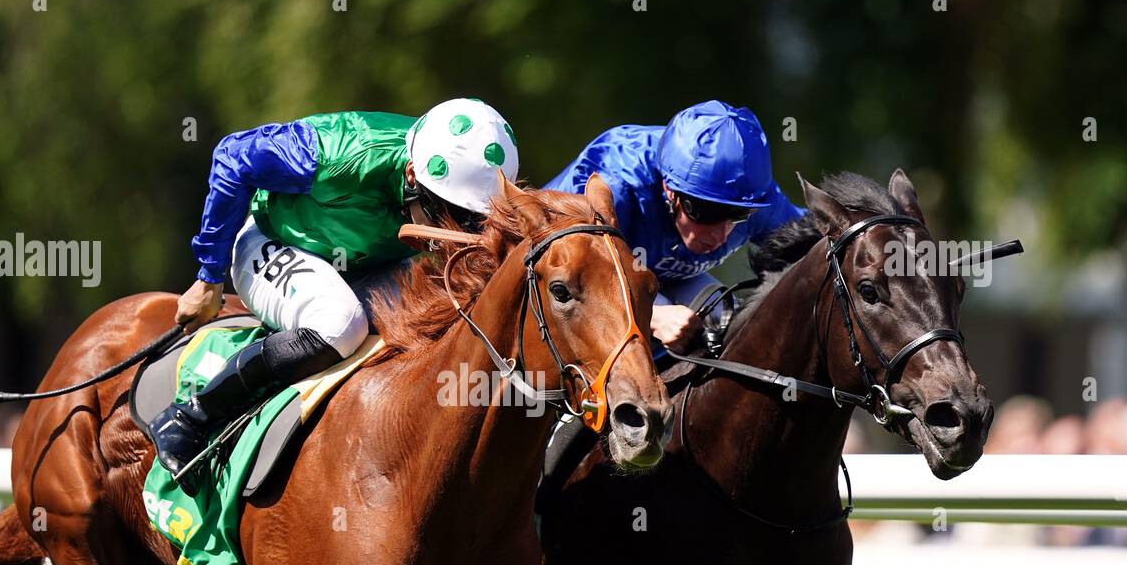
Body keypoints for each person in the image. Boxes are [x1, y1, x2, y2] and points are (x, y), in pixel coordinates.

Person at [149, 99, 520, 494]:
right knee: (341, 324)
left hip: (367, 263)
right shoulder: (338, 150)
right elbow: (232, 156)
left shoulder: (462, 176)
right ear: (412, 174)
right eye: (443, 211)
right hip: (275, 239)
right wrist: (209, 277)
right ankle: (189, 417)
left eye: (468, 219)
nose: (453, 229)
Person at [546, 100, 803, 352]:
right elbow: (559, 287)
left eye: (738, 214)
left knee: (732, 322)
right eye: (706, 211)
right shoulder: (613, 189)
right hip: (587, 280)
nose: (720, 233)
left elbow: (823, 248)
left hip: (668, 275)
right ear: (670, 190)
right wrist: (652, 317)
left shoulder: (755, 198)